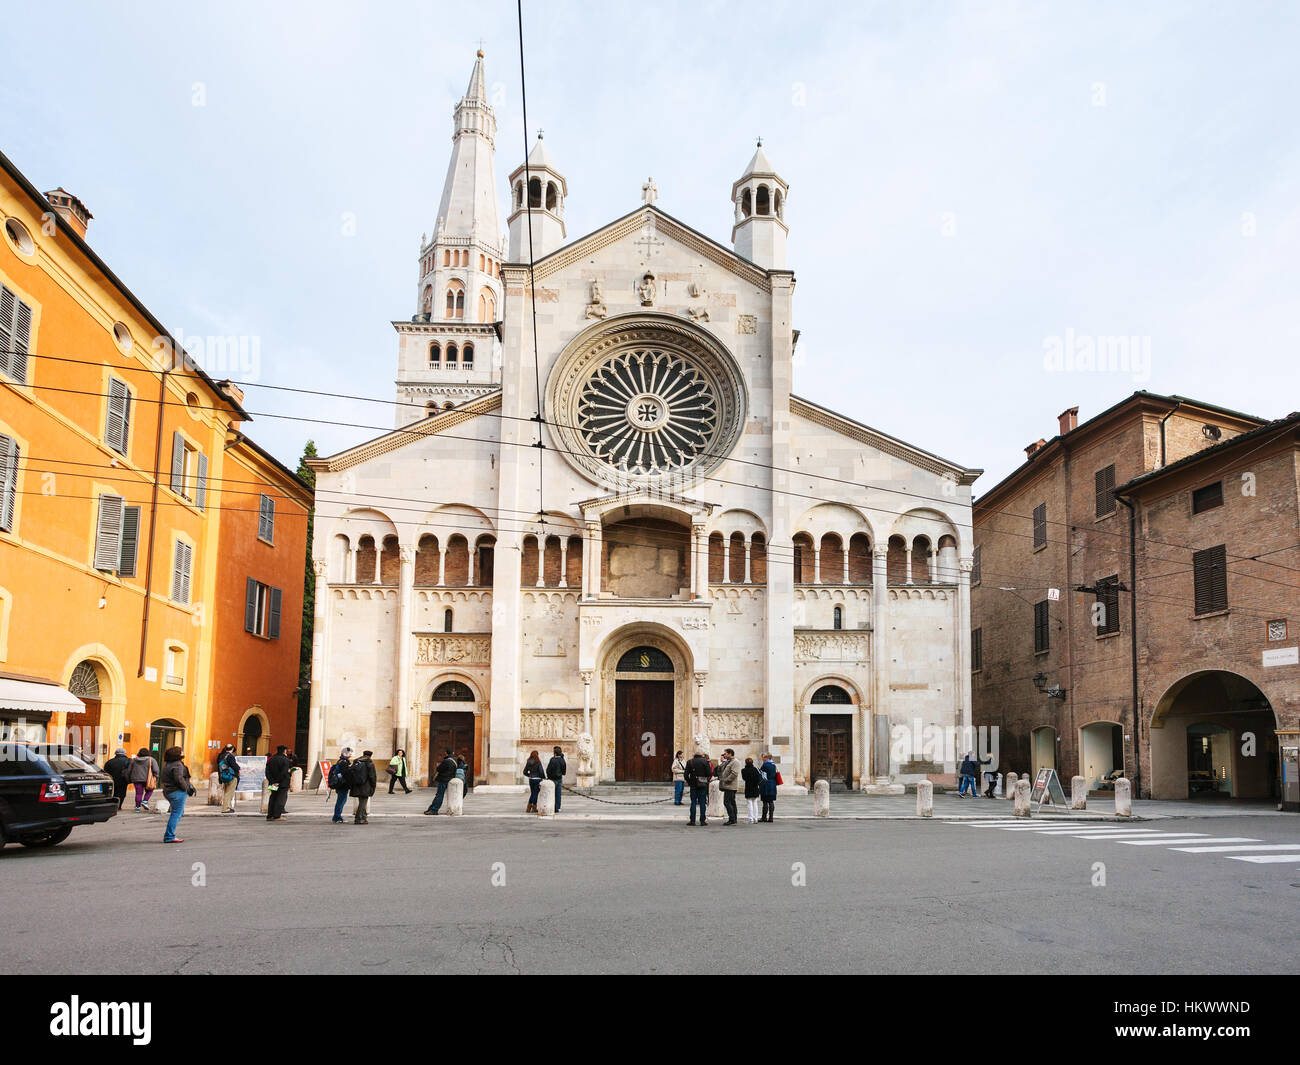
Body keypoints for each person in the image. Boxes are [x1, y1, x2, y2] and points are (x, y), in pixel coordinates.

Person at [158, 746, 194, 844]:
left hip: (169, 791)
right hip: (177, 792)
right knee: (176, 814)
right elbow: (179, 779)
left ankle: (169, 835)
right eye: (181, 751)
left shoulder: (168, 764)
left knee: (179, 812)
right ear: (177, 754)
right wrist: (186, 788)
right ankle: (169, 836)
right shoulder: (178, 765)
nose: (183, 752)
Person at [424, 749, 458, 814]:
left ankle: (434, 810)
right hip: (450, 779)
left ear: (446, 753)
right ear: (453, 753)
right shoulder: (455, 760)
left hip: (443, 780)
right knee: (439, 795)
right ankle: (431, 808)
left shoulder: (446, 761)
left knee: (439, 795)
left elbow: (439, 769)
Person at [350, 750, 377, 824]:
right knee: (363, 803)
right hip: (365, 786)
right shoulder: (369, 763)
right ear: (370, 756)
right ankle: (358, 819)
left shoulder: (357, 762)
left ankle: (364, 817)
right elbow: (372, 776)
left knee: (362, 802)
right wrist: (373, 785)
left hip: (356, 785)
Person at [685, 748, 711, 826]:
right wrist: (704, 778)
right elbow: (709, 773)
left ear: (694, 754)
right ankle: (702, 821)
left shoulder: (690, 762)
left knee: (693, 802)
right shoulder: (705, 761)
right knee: (702, 802)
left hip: (693, 785)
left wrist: (690, 782)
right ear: (702, 755)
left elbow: (685, 775)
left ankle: (692, 820)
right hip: (702, 784)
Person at [265, 744, 292, 821]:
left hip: (272, 783)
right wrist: (278, 781)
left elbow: (267, 772)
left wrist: (272, 781)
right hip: (282, 783)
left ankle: (270, 815)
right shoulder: (285, 759)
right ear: (284, 751)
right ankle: (277, 816)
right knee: (281, 799)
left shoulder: (271, 759)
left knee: (273, 797)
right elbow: (283, 772)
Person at [328, 748, 353, 823]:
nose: (351, 754)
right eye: (350, 753)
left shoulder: (341, 761)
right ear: (344, 754)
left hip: (341, 784)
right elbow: (345, 774)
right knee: (341, 801)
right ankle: (337, 817)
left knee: (341, 800)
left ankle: (337, 816)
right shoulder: (344, 762)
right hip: (342, 785)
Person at [716, 748, 740, 825]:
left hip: (730, 786)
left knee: (727, 802)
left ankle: (732, 819)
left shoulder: (735, 762)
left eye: (725, 754)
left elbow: (734, 773)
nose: (724, 755)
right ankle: (733, 819)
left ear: (730, 754)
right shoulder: (728, 762)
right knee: (731, 802)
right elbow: (720, 769)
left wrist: (726, 780)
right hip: (727, 786)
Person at [216, 744, 240, 812]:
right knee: (229, 792)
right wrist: (239, 768)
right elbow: (234, 766)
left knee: (226, 791)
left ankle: (228, 806)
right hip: (231, 776)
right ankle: (226, 808)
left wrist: (220, 779)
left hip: (224, 776)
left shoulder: (220, 756)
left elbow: (219, 767)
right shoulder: (230, 756)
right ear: (232, 749)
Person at [741, 756, 763, 824]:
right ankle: (756, 818)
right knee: (755, 803)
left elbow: (744, 778)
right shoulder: (756, 769)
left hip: (748, 787)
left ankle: (751, 819)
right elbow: (760, 778)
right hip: (755, 787)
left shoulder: (743, 770)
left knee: (749, 803)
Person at [546, 745, 567, 812]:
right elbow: (564, 769)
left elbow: (548, 770)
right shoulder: (562, 760)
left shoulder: (552, 760)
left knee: (551, 794)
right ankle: (557, 807)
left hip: (552, 779)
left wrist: (549, 776)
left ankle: (552, 806)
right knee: (558, 794)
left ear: (555, 753)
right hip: (559, 778)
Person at [759, 752, 778, 822]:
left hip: (766, 784)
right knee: (771, 801)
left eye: (763, 757)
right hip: (772, 783)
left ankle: (764, 817)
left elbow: (761, 773)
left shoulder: (765, 764)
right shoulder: (773, 765)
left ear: (766, 757)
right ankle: (771, 817)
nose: (762, 759)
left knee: (765, 801)